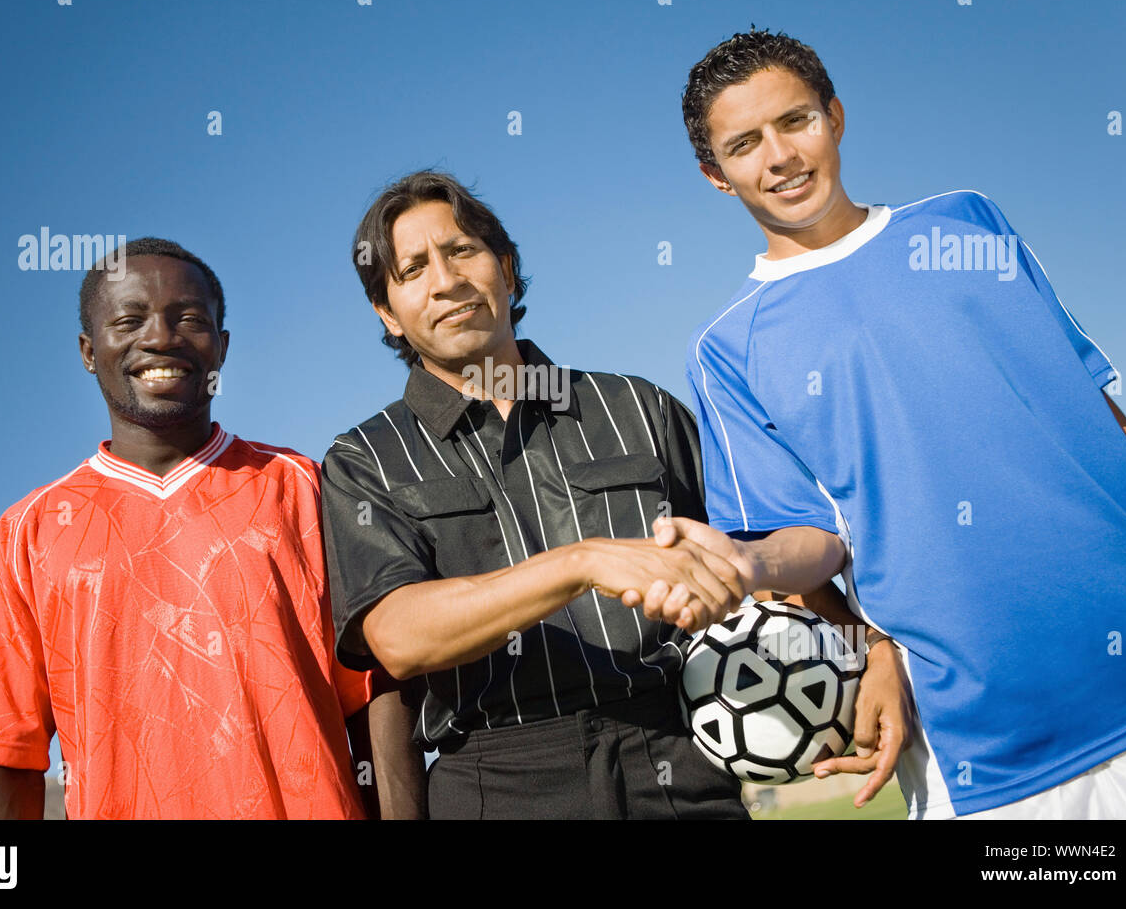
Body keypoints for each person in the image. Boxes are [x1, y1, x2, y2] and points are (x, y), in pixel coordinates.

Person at [677, 29, 1126, 819]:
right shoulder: (727, 348)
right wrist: (749, 569)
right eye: (745, 144)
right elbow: (813, 538)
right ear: (717, 176)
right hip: (983, 749)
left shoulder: (967, 223)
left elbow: (1102, 413)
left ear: (834, 117)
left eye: (795, 121)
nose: (780, 157)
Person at [320, 170, 912, 819]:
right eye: (413, 270)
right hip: (500, 782)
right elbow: (401, 637)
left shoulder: (639, 406)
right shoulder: (363, 461)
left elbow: (756, 560)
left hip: (677, 758)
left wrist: (871, 647)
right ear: (388, 313)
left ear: (507, 270)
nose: (447, 279)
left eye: (463, 250)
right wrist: (582, 561)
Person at [0, 238, 380, 819]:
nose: (160, 338)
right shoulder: (27, 532)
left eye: (190, 319)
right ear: (87, 349)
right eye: (129, 320)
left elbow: (373, 700)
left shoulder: (303, 488)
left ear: (222, 348)